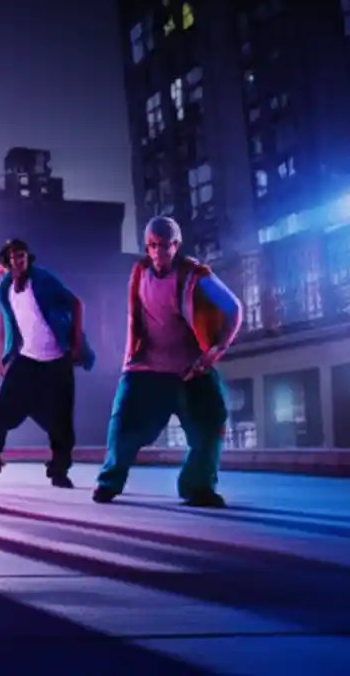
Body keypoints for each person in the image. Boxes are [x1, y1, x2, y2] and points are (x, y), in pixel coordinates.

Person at [94, 216, 241, 507]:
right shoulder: (139, 273)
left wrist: (216, 350)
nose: (158, 252)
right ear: (146, 247)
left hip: (190, 371)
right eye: (152, 245)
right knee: (122, 425)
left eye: (165, 245)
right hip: (146, 368)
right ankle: (109, 482)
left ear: (176, 245)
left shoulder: (196, 275)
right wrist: (127, 361)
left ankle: (198, 487)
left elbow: (233, 308)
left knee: (211, 422)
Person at [0, 239, 94, 488]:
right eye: (13, 258)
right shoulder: (4, 289)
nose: (18, 261)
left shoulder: (43, 279)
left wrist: (76, 343)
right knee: (0, 414)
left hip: (57, 361)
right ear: (6, 263)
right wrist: (4, 355)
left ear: (27, 258)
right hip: (27, 359)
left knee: (62, 423)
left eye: (21, 256)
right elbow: (8, 324)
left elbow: (76, 303)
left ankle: (59, 471)